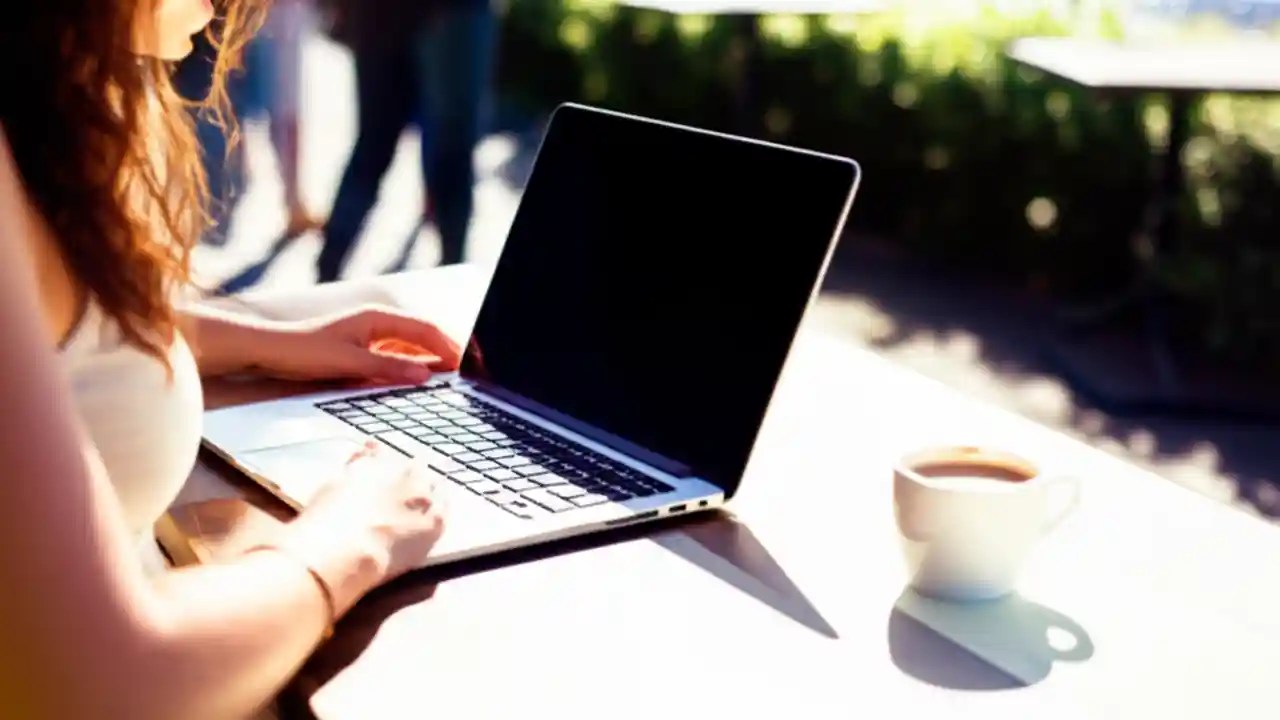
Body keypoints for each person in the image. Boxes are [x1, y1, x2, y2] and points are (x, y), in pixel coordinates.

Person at [0, 2, 459, 717]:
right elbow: (99, 680)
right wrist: (350, 538)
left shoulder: (50, 99)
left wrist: (264, 340)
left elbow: (51, 327)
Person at [316, 0, 497, 282]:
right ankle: (453, 276)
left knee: (374, 147)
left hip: (382, 14)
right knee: (450, 151)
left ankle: (325, 274)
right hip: (445, 15)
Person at [173, 0, 320, 245]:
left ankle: (292, 201)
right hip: (227, 14)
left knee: (279, 108)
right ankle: (225, 197)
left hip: (272, 11)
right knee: (223, 105)